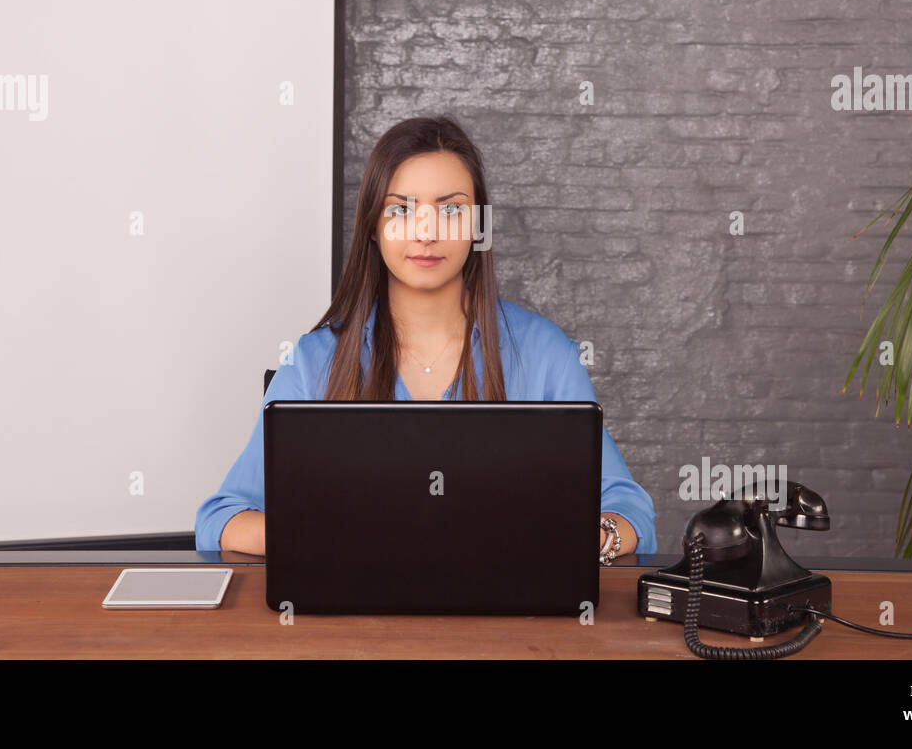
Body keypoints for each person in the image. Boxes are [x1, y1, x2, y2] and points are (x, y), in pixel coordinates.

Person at [194, 115, 657, 561]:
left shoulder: (545, 353)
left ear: (478, 226)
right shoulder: (315, 361)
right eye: (402, 209)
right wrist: (349, 533)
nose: (426, 231)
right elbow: (222, 519)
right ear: (374, 228)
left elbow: (630, 510)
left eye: (451, 209)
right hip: (356, 630)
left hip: (508, 629)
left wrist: (564, 537)